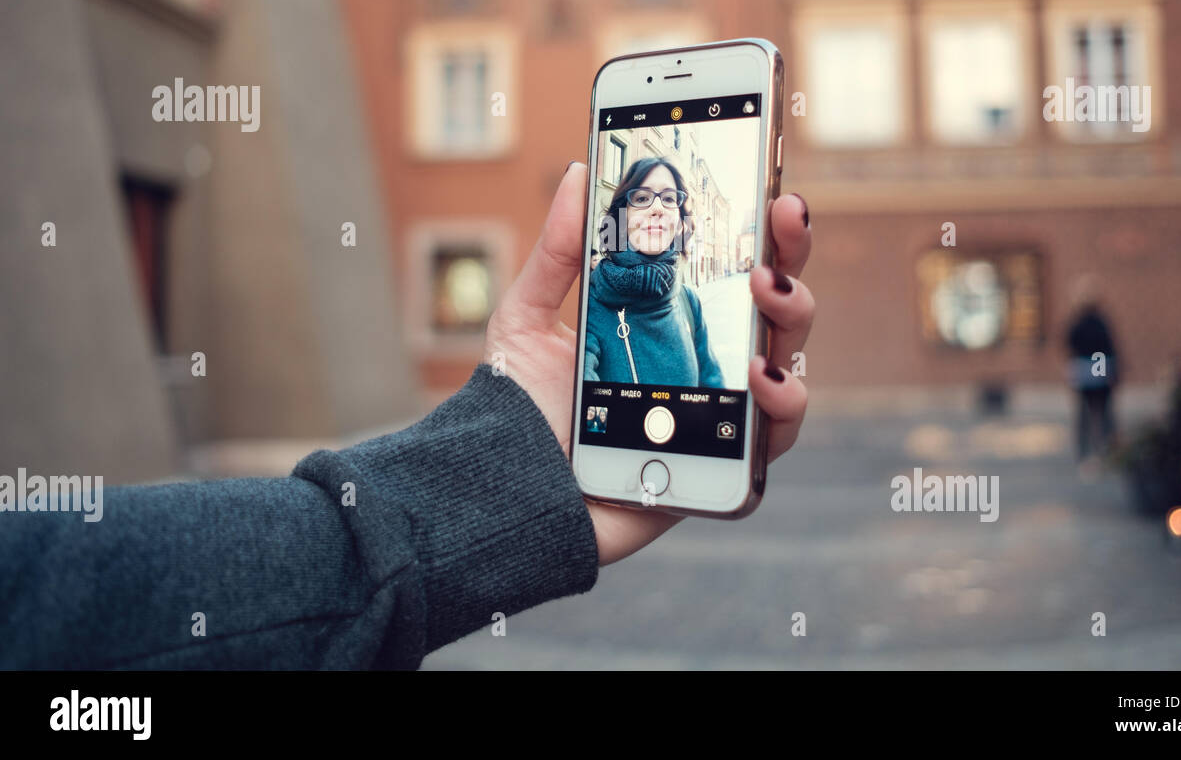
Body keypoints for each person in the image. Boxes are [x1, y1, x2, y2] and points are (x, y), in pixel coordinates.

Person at [0, 162, 814, 669]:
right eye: (647, 200)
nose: (661, 213)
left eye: (674, 202)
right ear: (622, 213)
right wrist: (523, 467)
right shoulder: (599, 299)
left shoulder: (693, 303)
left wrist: (720, 407)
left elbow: (712, 372)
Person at [584, 157, 725, 388]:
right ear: (622, 217)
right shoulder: (590, 305)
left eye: (669, 198)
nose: (657, 208)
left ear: (679, 221)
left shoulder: (689, 302)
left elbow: (712, 384)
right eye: (641, 198)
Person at [1065, 276, 1121, 462]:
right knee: (1102, 409)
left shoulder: (1078, 323)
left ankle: (1088, 450)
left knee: (1086, 411)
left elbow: (1069, 344)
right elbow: (1108, 347)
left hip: (1085, 367)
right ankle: (1104, 447)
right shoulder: (1099, 323)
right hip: (1097, 364)